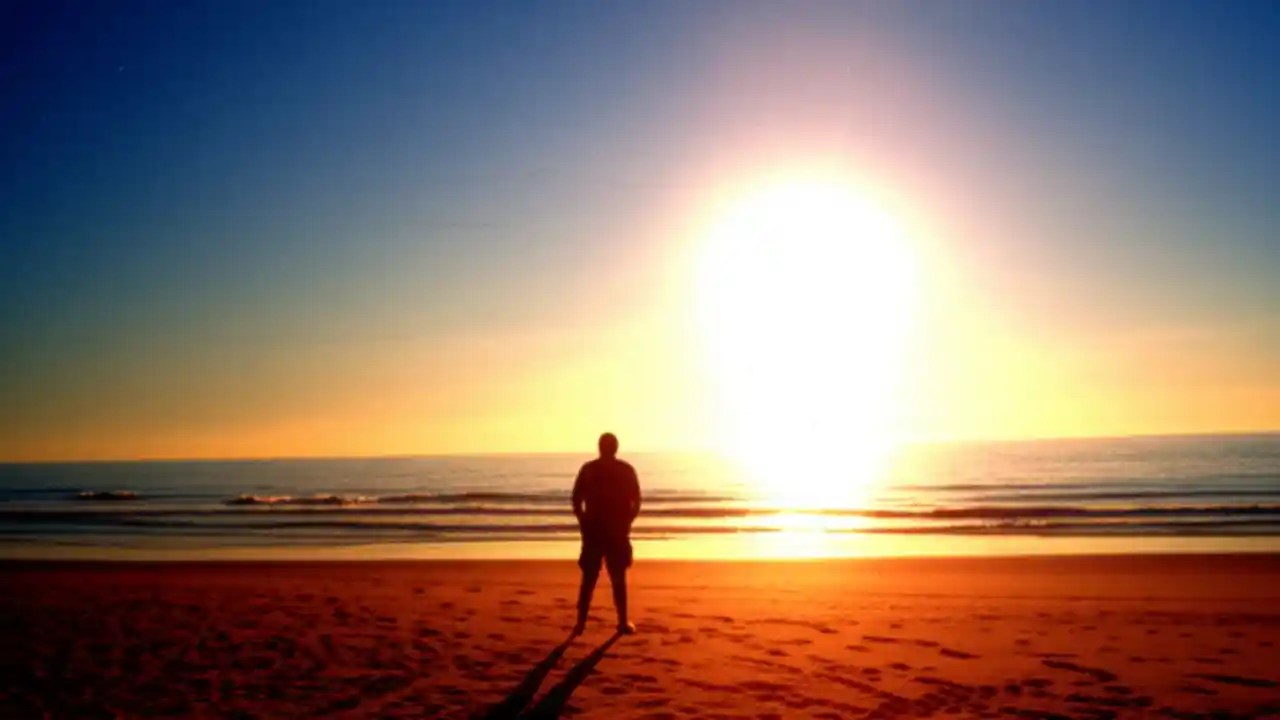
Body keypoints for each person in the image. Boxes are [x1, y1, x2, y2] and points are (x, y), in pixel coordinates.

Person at [571, 432, 641, 635]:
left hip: (594, 530)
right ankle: (621, 622)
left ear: (600, 447)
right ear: (616, 448)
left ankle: (580, 623)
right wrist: (627, 521)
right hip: (615, 531)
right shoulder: (625, 470)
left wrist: (583, 521)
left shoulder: (589, 469)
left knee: (589, 579)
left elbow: (576, 500)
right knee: (618, 577)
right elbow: (636, 502)